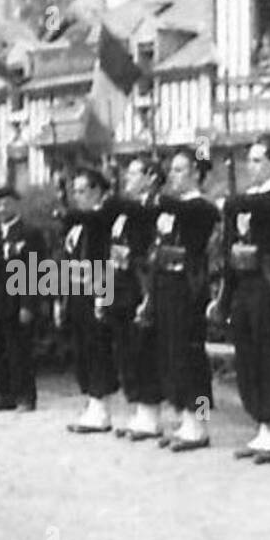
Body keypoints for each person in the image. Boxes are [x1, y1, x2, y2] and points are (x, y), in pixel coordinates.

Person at [215, 133, 270, 462]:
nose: (252, 167)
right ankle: (261, 425)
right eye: (249, 160)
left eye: (259, 160)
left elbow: (252, 207)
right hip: (244, 281)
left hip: (268, 283)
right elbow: (230, 239)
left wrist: (231, 203)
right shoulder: (246, 200)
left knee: (268, 354)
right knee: (247, 355)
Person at [152, 149, 219, 451]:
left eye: (180, 170)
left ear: (195, 172)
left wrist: (155, 195)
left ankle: (200, 420)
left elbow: (184, 211)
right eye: (172, 170)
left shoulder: (200, 206)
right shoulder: (174, 208)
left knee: (192, 355)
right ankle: (185, 415)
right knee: (171, 351)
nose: (173, 176)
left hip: (190, 285)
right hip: (167, 282)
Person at [107, 155, 164, 440]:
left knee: (143, 351)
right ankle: (138, 410)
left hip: (140, 284)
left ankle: (151, 413)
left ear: (150, 177)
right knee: (125, 350)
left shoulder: (152, 208)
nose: (128, 178)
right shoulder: (124, 213)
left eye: (134, 173)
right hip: (118, 283)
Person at [61, 167, 121, 433]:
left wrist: (101, 295)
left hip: (96, 287)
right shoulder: (78, 225)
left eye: (83, 191)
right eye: (75, 192)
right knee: (82, 346)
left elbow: (105, 259)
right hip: (75, 289)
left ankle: (101, 405)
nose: (78, 197)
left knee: (98, 347)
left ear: (97, 191)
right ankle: (91, 401)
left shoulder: (103, 218)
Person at [0, 187, 44, 412]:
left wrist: (28, 304)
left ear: (16, 204)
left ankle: (26, 395)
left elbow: (36, 270)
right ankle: (4, 395)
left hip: (17, 298)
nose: (2, 209)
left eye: (7, 204)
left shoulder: (29, 232)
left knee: (19, 350)